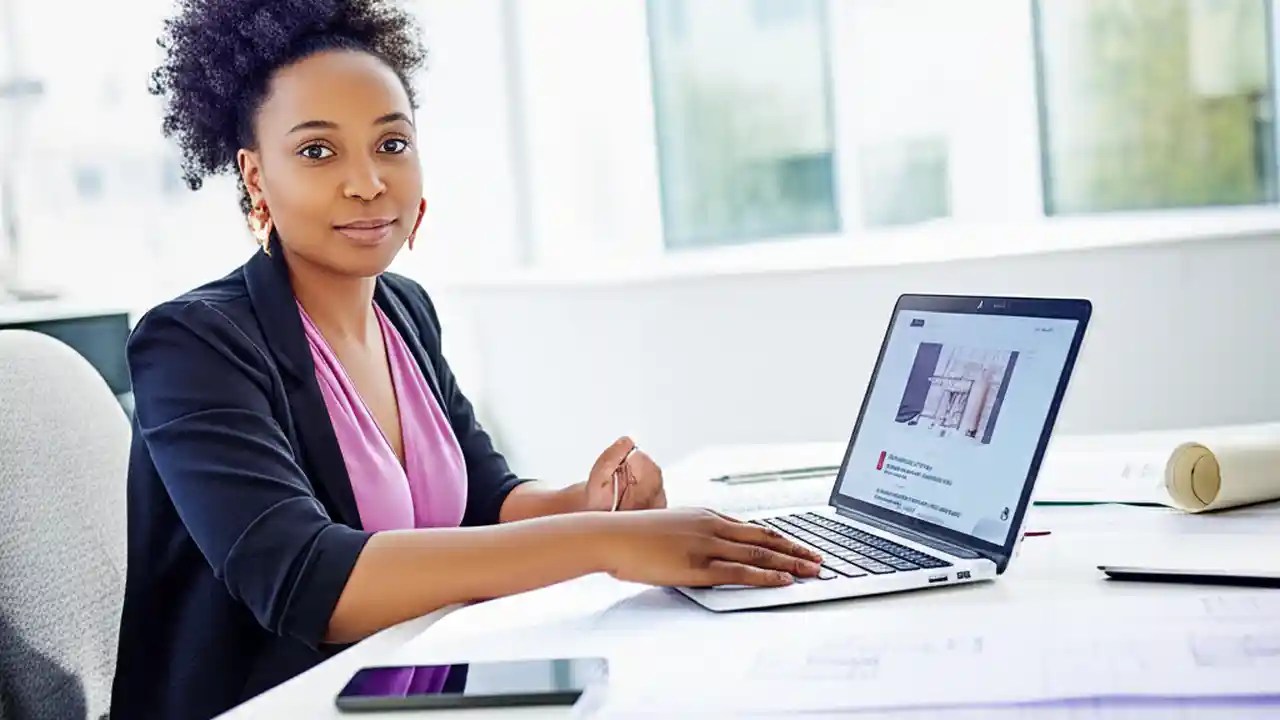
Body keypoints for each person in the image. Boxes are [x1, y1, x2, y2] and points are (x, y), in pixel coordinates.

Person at [110, 1, 823, 717]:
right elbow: (307, 582)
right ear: (256, 177)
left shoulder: (404, 310)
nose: (367, 182)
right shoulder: (191, 344)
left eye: (391, 144)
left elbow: (484, 501)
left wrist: (590, 501)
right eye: (318, 151)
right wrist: (607, 541)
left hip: (408, 680)